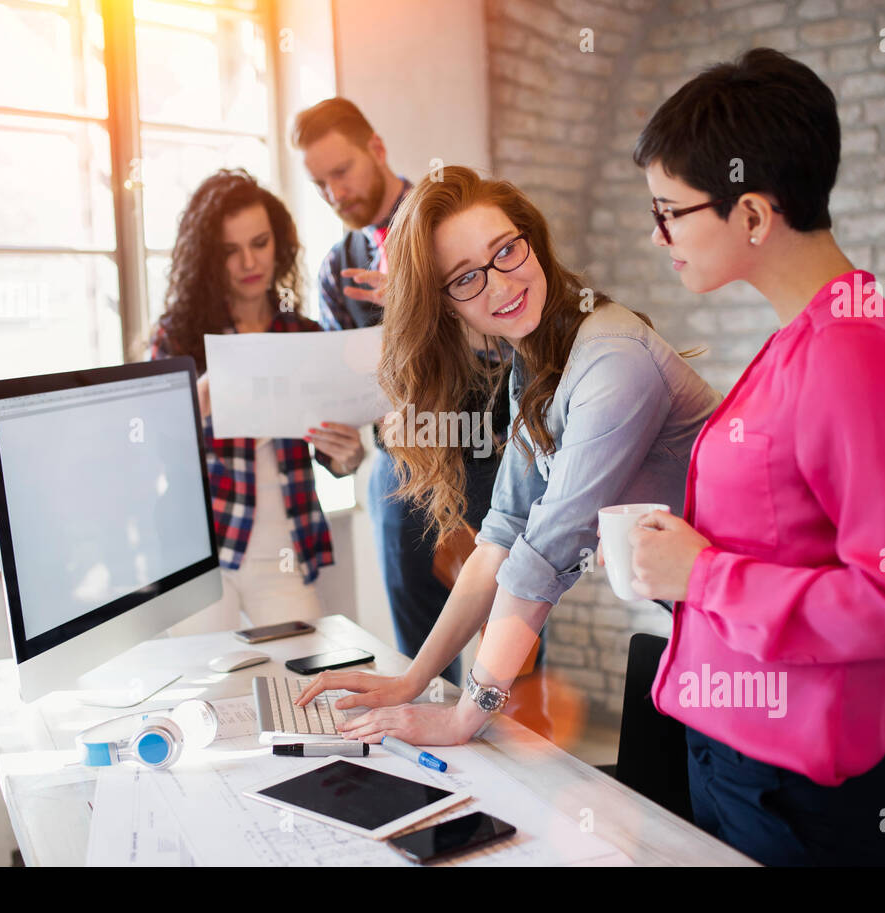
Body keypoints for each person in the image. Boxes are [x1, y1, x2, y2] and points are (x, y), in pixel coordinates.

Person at [615, 48, 885, 866]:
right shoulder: (804, 339)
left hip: (789, 794)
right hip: (739, 762)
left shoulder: (852, 352)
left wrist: (701, 576)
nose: (659, 233)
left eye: (670, 211)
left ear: (751, 215)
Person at [295, 165, 721, 744]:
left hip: (763, 645)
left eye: (506, 252)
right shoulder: (537, 360)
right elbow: (501, 538)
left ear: (531, 241)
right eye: (466, 278)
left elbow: (544, 554)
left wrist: (464, 717)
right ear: (445, 305)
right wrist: (412, 681)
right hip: (705, 636)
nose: (499, 284)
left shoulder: (610, 358)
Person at [292, 97, 512, 686]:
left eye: (341, 172)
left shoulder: (454, 221)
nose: (334, 193)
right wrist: (340, 445)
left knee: (510, 646)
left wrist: (421, 301)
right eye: (319, 185)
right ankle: (440, 767)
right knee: (420, 658)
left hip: (489, 459)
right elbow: (352, 392)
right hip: (402, 473)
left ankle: (523, 765)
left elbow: (509, 339)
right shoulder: (339, 266)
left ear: (378, 149)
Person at [148, 169, 364, 629]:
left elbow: (335, 454)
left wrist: (346, 458)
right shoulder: (179, 336)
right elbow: (151, 449)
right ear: (209, 258)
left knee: (300, 679)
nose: (249, 261)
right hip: (201, 549)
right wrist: (202, 393)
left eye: (260, 243)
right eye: (230, 250)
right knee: (203, 690)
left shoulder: (304, 335)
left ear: (279, 243)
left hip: (284, 546)